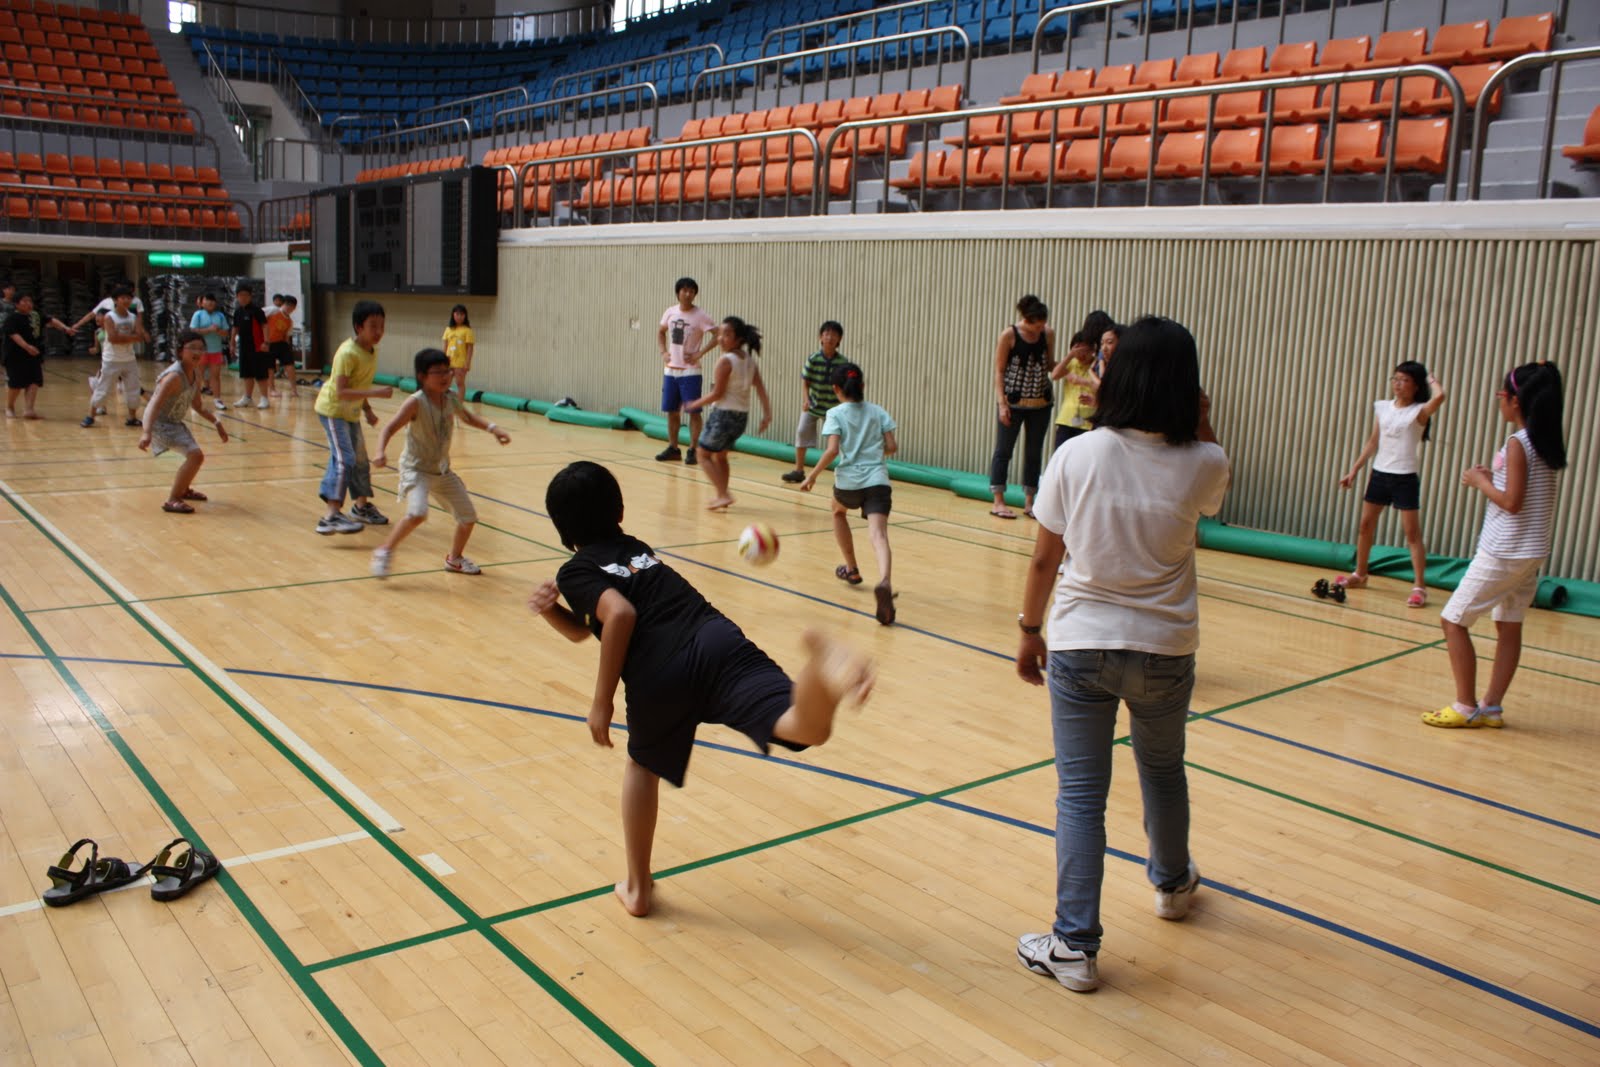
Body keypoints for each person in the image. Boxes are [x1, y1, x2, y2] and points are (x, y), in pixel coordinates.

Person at [529, 460, 875, 917]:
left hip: (660, 669)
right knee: (803, 728)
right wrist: (553, 612)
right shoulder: (637, 549)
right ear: (619, 509)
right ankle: (821, 669)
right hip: (713, 635)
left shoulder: (576, 569)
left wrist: (601, 702)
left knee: (641, 766)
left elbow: (620, 617)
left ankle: (637, 886)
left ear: (561, 526)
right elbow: (587, 628)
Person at [1013, 316, 1230, 994]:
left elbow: (1046, 556)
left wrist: (1028, 627)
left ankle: (1073, 946)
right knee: (1163, 770)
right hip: (1167, 648)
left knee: (1081, 795)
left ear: (1117, 374)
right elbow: (1213, 485)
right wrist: (1203, 419)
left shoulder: (1078, 454)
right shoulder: (1206, 461)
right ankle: (1171, 884)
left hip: (1081, 643)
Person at [1424, 362, 1566, 730]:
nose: (1498, 401)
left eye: (1502, 395)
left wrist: (1479, 481)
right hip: (1530, 551)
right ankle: (1491, 707)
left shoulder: (1518, 443)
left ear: (1516, 401)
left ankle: (1465, 704)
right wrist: (1493, 479)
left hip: (1504, 550)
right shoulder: (1544, 441)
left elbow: (1513, 502)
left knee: (1453, 619)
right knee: (1509, 624)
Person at [370, 348, 512, 578]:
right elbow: (389, 428)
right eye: (437, 372)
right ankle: (384, 551)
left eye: (447, 371)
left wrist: (493, 429)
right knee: (417, 513)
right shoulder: (415, 402)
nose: (445, 376)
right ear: (422, 376)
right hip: (416, 470)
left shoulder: (450, 398)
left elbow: (468, 417)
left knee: (468, 517)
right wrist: (379, 451)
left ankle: (454, 559)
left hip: (441, 470)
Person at [1336, 361, 1448, 607]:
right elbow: (1374, 441)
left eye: (1404, 380)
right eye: (1395, 379)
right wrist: (1354, 470)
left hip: (1404, 477)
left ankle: (1420, 586)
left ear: (1415, 385)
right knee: (1366, 525)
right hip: (1380, 474)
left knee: (1412, 533)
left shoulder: (1419, 412)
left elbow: (1441, 397)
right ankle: (1360, 573)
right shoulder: (1383, 407)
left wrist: (1433, 380)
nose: (1398, 384)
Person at [800, 362, 899, 624]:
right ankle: (885, 581)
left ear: (835, 389)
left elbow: (832, 450)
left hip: (848, 484)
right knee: (878, 535)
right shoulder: (878, 412)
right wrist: (877, 451)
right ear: (862, 386)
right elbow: (892, 446)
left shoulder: (835, 413)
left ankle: (852, 569)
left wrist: (811, 475)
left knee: (837, 511)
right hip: (878, 481)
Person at [313, 300, 393, 535]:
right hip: (333, 411)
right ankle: (331, 515)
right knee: (344, 458)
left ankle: (360, 507)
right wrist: (375, 394)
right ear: (359, 327)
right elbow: (341, 391)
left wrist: (367, 409)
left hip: (351, 413)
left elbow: (359, 383)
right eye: (373, 326)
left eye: (381, 326)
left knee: (359, 460)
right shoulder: (348, 353)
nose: (378, 332)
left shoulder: (372, 351)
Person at [683, 316, 771, 510]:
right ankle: (721, 495)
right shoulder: (748, 360)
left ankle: (723, 494)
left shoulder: (726, 361)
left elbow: (717, 393)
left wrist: (694, 403)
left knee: (702, 455)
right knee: (721, 456)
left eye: (727, 334)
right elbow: (760, 388)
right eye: (720, 334)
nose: (721, 338)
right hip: (741, 417)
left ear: (738, 339)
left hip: (723, 416)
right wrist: (767, 413)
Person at [137, 330, 230, 513]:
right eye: (192, 348)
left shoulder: (195, 373)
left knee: (194, 457)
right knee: (196, 456)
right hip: (160, 424)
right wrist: (146, 431)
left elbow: (197, 406)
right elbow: (153, 406)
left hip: (174, 422)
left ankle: (184, 489)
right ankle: (173, 499)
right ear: (180, 351)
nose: (197, 352)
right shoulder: (173, 377)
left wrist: (217, 423)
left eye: (201, 349)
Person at [988, 295, 1057, 519]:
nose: (1039, 330)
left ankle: (1030, 502)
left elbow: (1049, 365)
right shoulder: (1009, 335)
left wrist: (1073, 361)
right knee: (1004, 450)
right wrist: (1002, 404)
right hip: (1014, 403)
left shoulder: (1048, 333)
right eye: (1035, 326)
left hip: (1040, 402)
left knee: (1034, 451)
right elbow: (999, 370)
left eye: (1042, 326)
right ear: (1026, 320)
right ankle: (998, 500)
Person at [655, 277, 715, 466]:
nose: (688, 294)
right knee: (672, 411)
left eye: (691, 291)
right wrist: (664, 352)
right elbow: (661, 331)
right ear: (678, 292)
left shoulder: (700, 315)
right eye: (684, 290)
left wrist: (700, 353)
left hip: (690, 372)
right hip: (671, 370)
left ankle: (693, 449)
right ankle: (673, 448)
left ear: (695, 294)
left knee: (693, 411)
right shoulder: (670, 312)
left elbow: (717, 334)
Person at [781, 320, 847, 484]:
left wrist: (844, 405)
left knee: (840, 441)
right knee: (802, 431)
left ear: (839, 339)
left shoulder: (843, 363)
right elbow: (805, 380)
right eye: (826, 334)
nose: (830, 337)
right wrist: (806, 399)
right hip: (813, 405)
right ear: (820, 337)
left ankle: (845, 472)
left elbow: (846, 385)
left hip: (833, 408)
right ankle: (799, 470)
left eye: (834, 335)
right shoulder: (814, 358)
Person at [81, 285, 147, 429]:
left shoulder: (133, 317)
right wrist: (132, 338)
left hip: (129, 359)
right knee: (103, 388)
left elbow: (140, 336)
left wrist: (126, 337)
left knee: (133, 388)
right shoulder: (109, 317)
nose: (126, 300)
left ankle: (132, 417)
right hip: (111, 360)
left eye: (129, 298)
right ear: (116, 300)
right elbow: (113, 338)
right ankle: (90, 416)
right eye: (123, 298)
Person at [1049, 329, 1098, 452]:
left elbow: (1102, 388)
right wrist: (1070, 355)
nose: (1081, 355)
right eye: (1078, 351)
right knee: (1060, 453)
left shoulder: (1096, 366)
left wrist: (1082, 381)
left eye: (1085, 351)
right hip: (1067, 418)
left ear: (1093, 350)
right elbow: (1054, 375)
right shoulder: (1071, 363)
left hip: (1088, 420)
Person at [4, 292, 45, 419]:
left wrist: (66, 328)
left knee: (34, 381)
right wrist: (27, 347)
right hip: (15, 355)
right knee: (16, 384)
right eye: (25, 301)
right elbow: (14, 335)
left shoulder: (35, 316)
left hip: (33, 354)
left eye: (30, 301)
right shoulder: (11, 318)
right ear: (17, 304)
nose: (28, 303)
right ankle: (9, 406)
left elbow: (50, 320)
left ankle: (29, 409)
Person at [231, 283, 270, 410]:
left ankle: (264, 398)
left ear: (250, 296)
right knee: (246, 373)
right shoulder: (237, 312)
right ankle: (247, 397)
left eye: (246, 295)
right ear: (237, 296)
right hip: (244, 346)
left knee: (260, 373)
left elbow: (265, 326)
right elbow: (235, 328)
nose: (243, 297)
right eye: (241, 295)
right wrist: (232, 343)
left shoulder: (257, 311)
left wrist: (266, 342)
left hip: (258, 346)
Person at [189, 292, 230, 408]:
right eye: (208, 300)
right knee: (199, 376)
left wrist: (218, 331)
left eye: (213, 300)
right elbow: (193, 330)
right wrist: (208, 330)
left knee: (215, 376)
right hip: (201, 351)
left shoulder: (220, 316)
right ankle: (195, 400)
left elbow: (226, 332)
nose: (210, 302)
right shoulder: (198, 315)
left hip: (216, 350)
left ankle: (217, 399)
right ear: (202, 303)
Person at [267, 294, 298, 397]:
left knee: (290, 364)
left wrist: (287, 349)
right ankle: (272, 389)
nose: (289, 308)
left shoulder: (289, 321)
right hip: (269, 342)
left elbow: (287, 336)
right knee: (270, 367)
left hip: (281, 343)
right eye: (287, 305)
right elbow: (259, 315)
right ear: (283, 304)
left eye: (292, 306)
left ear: (294, 308)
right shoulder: (273, 311)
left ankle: (294, 390)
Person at [442, 303, 475, 401]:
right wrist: (443, 360)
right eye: (457, 314)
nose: (459, 317)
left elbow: (470, 348)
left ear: (465, 316)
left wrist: (467, 363)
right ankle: (443, 403)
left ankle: (459, 406)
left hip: (460, 363)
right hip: (449, 361)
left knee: (460, 384)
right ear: (453, 315)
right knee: (445, 383)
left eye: (462, 314)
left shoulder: (467, 331)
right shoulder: (448, 329)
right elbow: (445, 345)